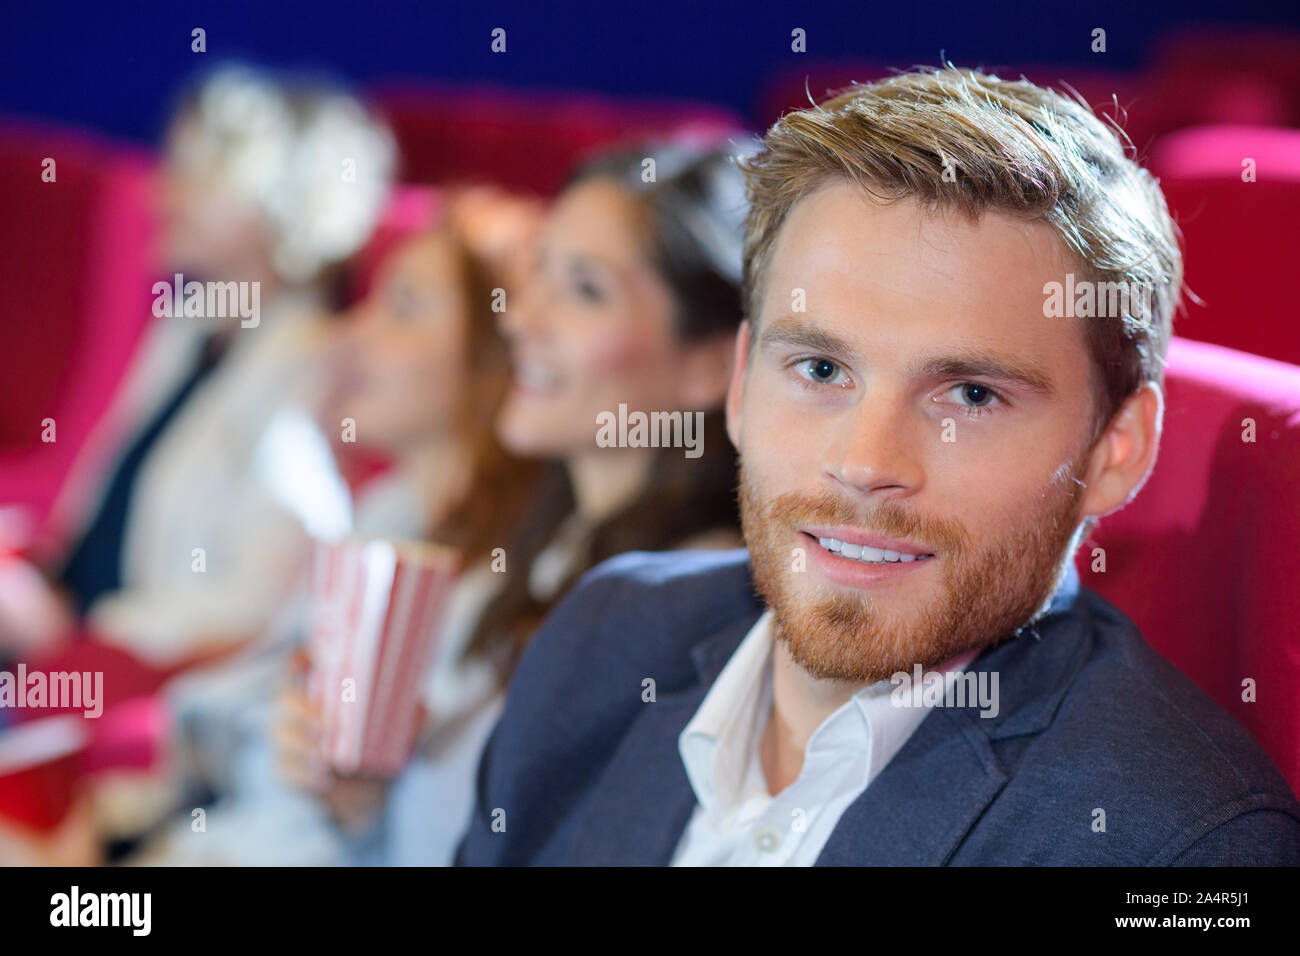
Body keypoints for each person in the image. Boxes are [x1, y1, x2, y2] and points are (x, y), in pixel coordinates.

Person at [456, 67, 1300, 866]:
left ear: (1118, 449)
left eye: (970, 395)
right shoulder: (603, 638)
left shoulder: (1175, 845)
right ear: (743, 384)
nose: (864, 463)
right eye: (821, 371)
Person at [275, 140, 752, 865]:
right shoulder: (545, 540)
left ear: (712, 364)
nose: (522, 318)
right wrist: (363, 802)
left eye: (585, 290)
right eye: (538, 275)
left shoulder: (684, 610)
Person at [5, 64, 395, 667]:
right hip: (65, 632)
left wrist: (76, 641)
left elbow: (259, 605)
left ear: (271, 208)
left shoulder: (312, 366)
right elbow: (105, 505)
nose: (161, 193)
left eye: (196, 178)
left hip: (125, 671)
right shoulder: (191, 325)